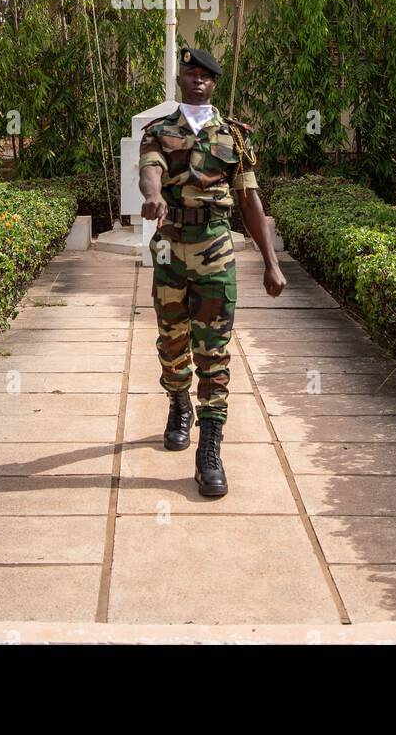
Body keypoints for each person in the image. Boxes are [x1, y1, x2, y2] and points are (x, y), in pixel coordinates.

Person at [138, 45, 286, 498]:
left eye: (207, 75)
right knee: (171, 340)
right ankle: (179, 402)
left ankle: (210, 449)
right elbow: (149, 170)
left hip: (217, 248)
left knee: (214, 351)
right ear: (180, 79)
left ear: (214, 83)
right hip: (169, 248)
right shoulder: (159, 130)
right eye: (191, 73)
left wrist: (271, 262)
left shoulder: (234, 136)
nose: (198, 80)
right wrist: (154, 196)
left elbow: (249, 200)